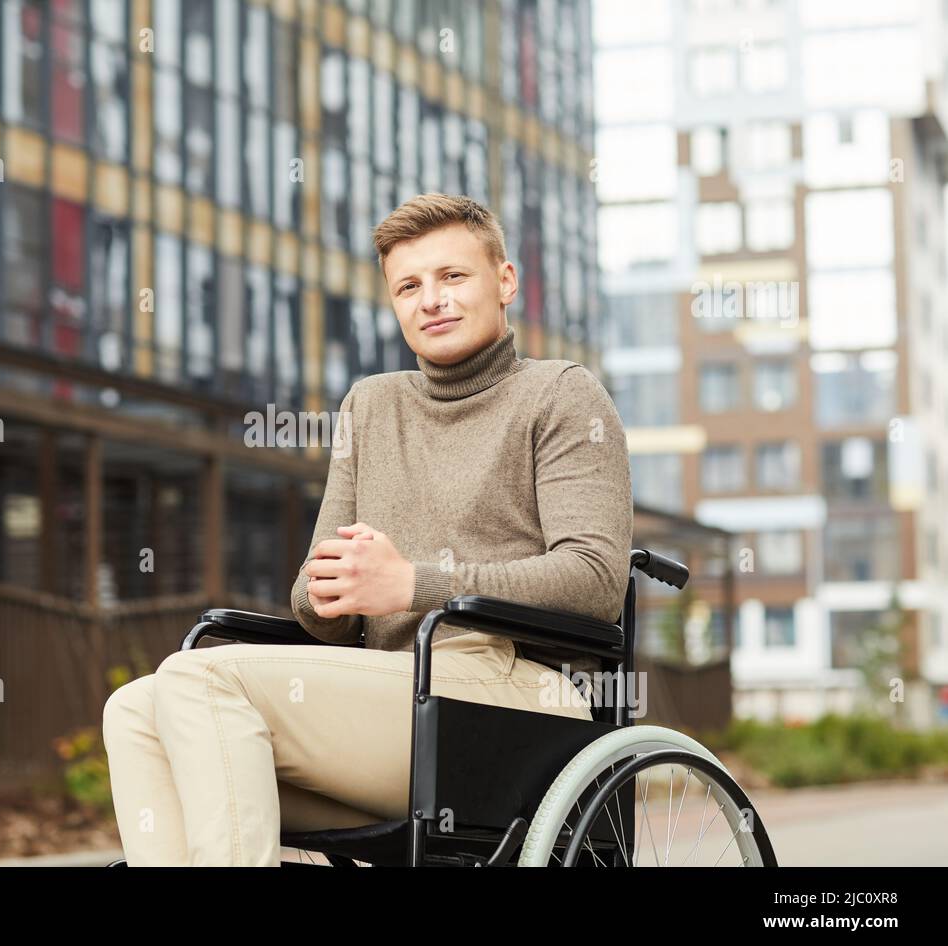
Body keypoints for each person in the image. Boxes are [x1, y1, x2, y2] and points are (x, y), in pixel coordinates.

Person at [102, 193, 633, 866]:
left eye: (452, 277)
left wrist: (413, 583)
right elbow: (323, 602)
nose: (430, 299)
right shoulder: (371, 405)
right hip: (388, 700)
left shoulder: (562, 394)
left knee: (198, 678)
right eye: (408, 286)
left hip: (512, 695)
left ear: (505, 282)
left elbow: (595, 580)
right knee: (136, 709)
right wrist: (327, 596)